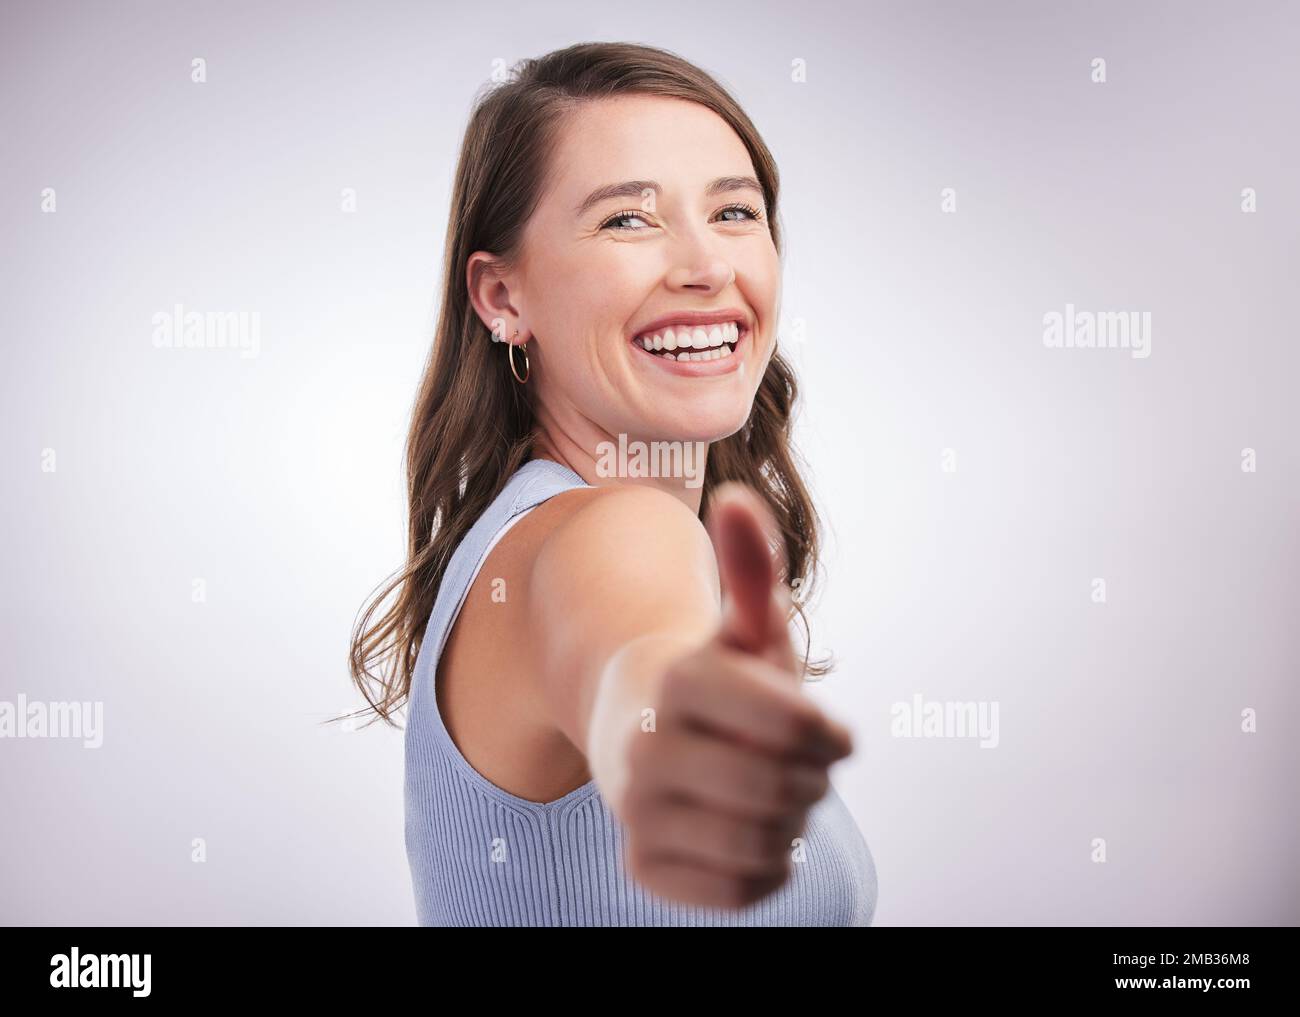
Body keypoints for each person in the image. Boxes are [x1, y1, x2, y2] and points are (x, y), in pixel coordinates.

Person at [348, 41, 878, 926]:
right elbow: (637, 655)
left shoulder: (530, 536)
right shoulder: (611, 530)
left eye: (736, 212)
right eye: (627, 221)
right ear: (501, 296)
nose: (707, 266)